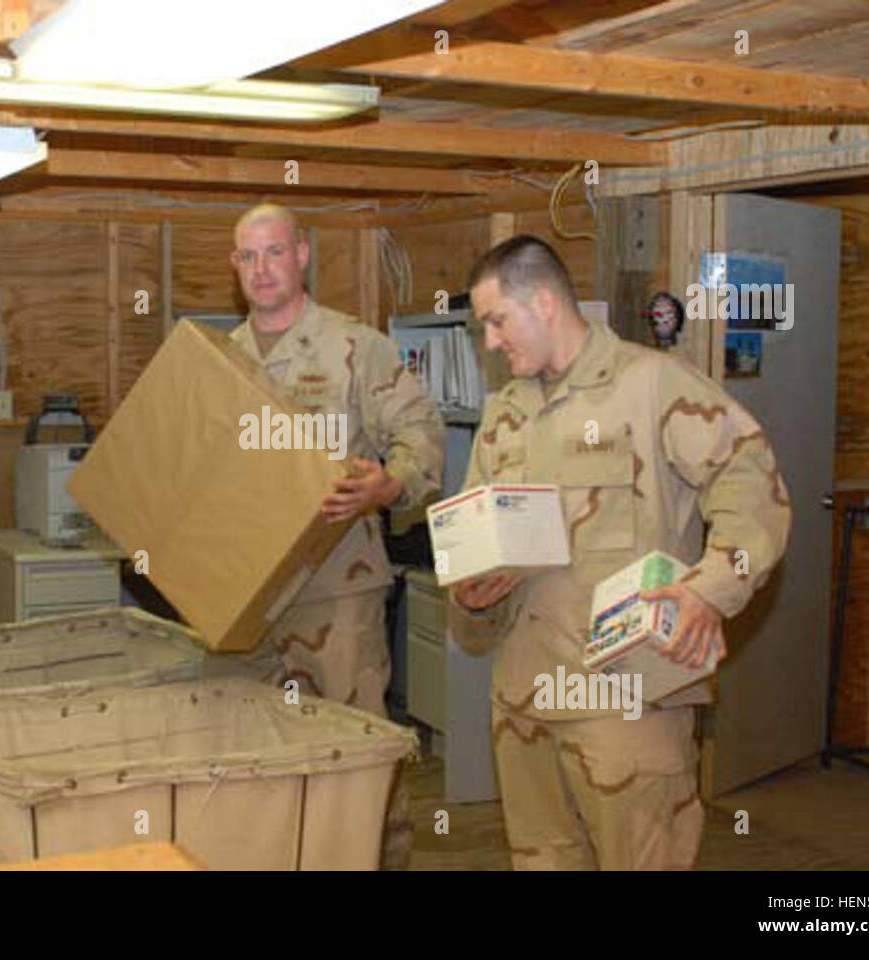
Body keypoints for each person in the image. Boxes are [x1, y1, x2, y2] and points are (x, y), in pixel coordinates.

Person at [449, 235, 791, 870]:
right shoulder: (504, 412)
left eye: (496, 321)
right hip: (525, 698)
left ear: (544, 302)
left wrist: (708, 590)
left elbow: (751, 482)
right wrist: (470, 596)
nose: (490, 341)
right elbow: (474, 534)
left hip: (624, 702)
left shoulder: (653, 385)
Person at [228, 203, 445, 869]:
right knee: (264, 763)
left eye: (273, 252)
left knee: (360, 761)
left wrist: (389, 484)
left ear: (302, 255)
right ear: (234, 267)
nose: (261, 269)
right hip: (249, 600)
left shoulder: (355, 347)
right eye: (247, 256)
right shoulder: (223, 360)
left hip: (337, 592)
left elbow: (423, 438)